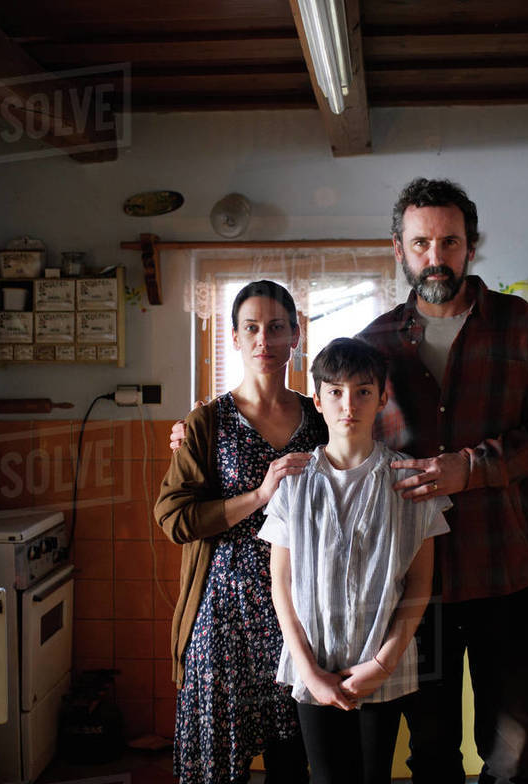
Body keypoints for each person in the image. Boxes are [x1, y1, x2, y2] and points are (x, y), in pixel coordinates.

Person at [357, 177, 528, 784]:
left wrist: (475, 467)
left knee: (512, 754)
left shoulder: (517, 325)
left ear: (471, 247)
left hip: (506, 570)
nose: (435, 257)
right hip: (415, 583)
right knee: (431, 752)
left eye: (450, 242)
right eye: (421, 243)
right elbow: (335, 435)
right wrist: (205, 425)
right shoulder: (374, 344)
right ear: (400, 249)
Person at [154, 280, 325, 784]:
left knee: (293, 761)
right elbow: (173, 518)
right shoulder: (207, 423)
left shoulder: (320, 420)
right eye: (251, 328)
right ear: (234, 337)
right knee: (217, 765)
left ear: (295, 335)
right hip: (222, 615)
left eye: (276, 327)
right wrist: (258, 495)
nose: (263, 340)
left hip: (298, 611)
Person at [259, 338, 450, 784]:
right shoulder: (293, 482)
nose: (349, 405)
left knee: (372, 776)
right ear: (318, 400)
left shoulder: (411, 481)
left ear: (382, 398)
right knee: (326, 777)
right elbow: (281, 585)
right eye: (336, 392)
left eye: (363, 391)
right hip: (313, 666)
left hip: (381, 667)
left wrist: (381, 664)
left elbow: (419, 585)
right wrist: (309, 672)